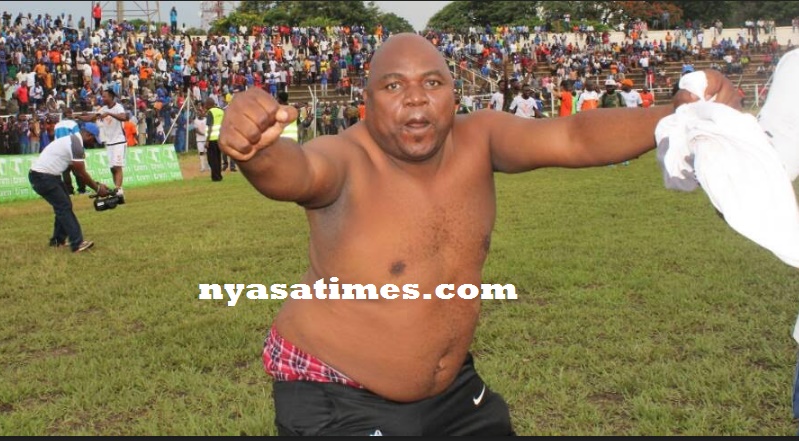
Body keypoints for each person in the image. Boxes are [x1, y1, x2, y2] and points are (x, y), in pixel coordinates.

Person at [218, 33, 742, 436]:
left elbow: (572, 136)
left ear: (455, 93)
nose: (416, 100)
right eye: (393, 86)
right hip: (337, 392)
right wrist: (256, 151)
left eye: (432, 83)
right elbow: (295, 174)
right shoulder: (345, 158)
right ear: (367, 100)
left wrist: (676, 117)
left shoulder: (480, 139)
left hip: (453, 392)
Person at [28, 122, 109, 253]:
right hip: (43, 177)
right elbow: (81, 173)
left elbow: (77, 171)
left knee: (64, 206)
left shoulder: (72, 140)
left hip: (47, 176)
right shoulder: (76, 144)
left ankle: (57, 241)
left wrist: (97, 185)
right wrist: (98, 189)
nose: (93, 143)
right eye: (93, 139)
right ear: (88, 135)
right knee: (64, 206)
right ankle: (77, 243)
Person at [82, 89, 127, 203]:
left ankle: (118, 190)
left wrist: (110, 114)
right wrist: (78, 117)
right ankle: (117, 191)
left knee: (117, 166)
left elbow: (124, 117)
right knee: (112, 168)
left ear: (111, 97)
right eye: (102, 96)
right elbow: (92, 118)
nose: (103, 98)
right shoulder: (103, 109)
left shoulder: (118, 107)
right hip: (109, 143)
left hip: (119, 141)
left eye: (105, 96)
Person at [204, 97, 224, 182]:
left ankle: (215, 177)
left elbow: (210, 127)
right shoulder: (221, 111)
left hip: (212, 138)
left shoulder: (210, 112)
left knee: (211, 159)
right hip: (220, 138)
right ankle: (219, 175)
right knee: (218, 158)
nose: (205, 106)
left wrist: (207, 140)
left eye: (205, 104)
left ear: (209, 104)